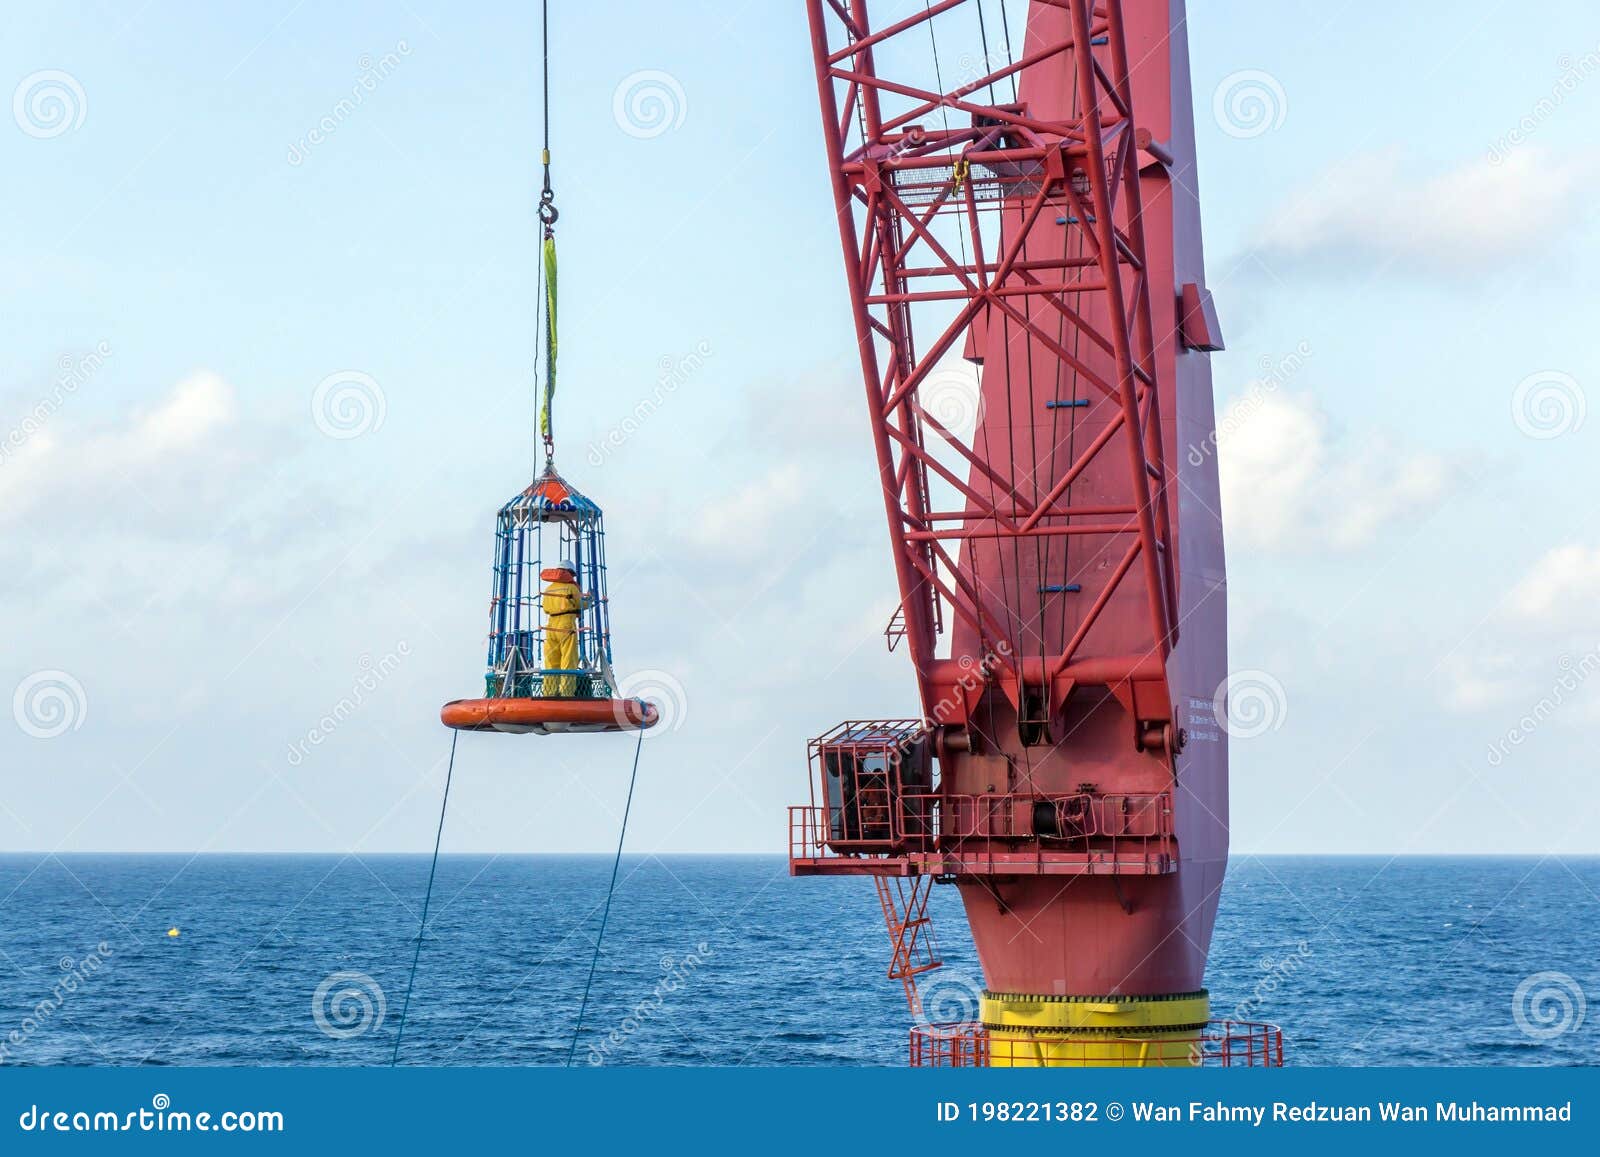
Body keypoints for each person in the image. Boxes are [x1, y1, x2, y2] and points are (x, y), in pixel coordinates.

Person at [540, 558, 586, 696]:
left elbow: (545, 607)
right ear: (570, 572)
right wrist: (590, 600)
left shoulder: (548, 589)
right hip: (566, 624)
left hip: (550, 627)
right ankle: (566, 692)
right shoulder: (571, 587)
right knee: (568, 659)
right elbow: (580, 605)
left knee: (551, 661)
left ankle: (549, 692)